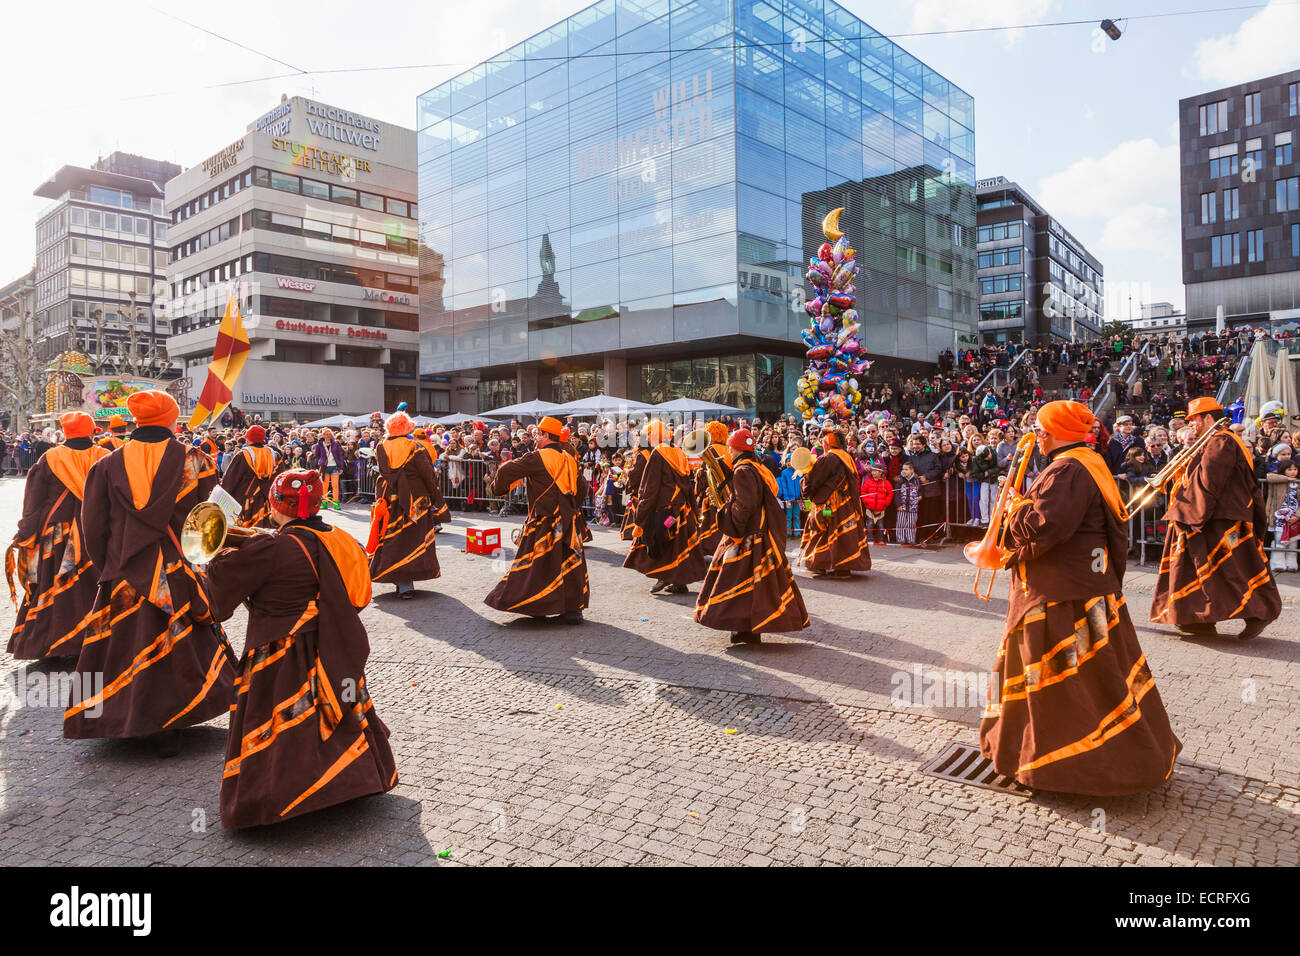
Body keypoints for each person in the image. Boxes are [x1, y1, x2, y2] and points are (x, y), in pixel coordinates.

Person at [980, 400, 1182, 794]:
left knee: (1062, 682)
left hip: (1062, 597)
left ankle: (1060, 767)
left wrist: (1013, 508)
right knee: (1099, 678)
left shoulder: (1069, 468)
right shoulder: (1086, 462)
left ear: (1055, 432)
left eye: (1040, 429)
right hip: (1081, 589)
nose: (1036, 436)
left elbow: (1045, 526)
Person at [205, 469, 397, 828]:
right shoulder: (342, 539)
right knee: (333, 709)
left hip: (280, 653)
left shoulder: (271, 547)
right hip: (332, 645)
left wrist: (217, 558)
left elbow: (217, 597)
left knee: (282, 723)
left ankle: (286, 796)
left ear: (279, 504)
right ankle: (349, 781)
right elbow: (356, 596)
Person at [64, 390, 236, 757]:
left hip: (124, 572)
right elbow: (212, 517)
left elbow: (92, 528)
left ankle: (108, 715)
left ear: (137, 420)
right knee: (179, 643)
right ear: (172, 418)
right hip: (176, 568)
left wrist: (109, 564)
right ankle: (173, 718)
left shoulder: (106, 465)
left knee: (117, 646)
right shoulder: (197, 461)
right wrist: (202, 558)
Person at [1150, 397, 1283, 640]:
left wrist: (1189, 512)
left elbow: (1209, 481)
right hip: (1210, 517)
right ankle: (1198, 619)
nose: (1192, 426)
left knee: (1236, 567)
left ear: (1209, 418)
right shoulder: (1210, 441)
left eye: (1195, 420)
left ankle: (1260, 611)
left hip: (1221, 519)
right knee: (1199, 569)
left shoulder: (1221, 441)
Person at [5, 412, 111, 660]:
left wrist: (25, 533)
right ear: (91, 430)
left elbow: (33, 501)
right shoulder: (105, 457)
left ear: (64, 431)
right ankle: (97, 641)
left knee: (53, 588)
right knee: (93, 587)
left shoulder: (50, 458)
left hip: (58, 536)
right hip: (96, 533)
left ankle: (53, 644)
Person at [693, 429, 809, 644]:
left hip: (748, 534)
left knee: (735, 579)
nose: (728, 450)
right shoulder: (756, 467)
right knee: (757, 584)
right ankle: (748, 628)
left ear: (735, 448)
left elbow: (745, 504)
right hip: (760, 531)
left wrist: (729, 521)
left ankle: (744, 627)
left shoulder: (743, 470)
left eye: (729, 447)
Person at [484, 416, 588, 624]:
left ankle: (537, 604)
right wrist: (572, 506)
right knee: (569, 564)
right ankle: (573, 609)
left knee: (537, 566)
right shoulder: (569, 457)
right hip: (568, 520)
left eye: (538, 434)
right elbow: (582, 486)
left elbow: (506, 470)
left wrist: (498, 489)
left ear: (547, 435)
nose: (535, 438)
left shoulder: (537, 457)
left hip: (545, 520)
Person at [368, 411, 449, 599]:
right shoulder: (415, 447)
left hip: (389, 498)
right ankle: (406, 581)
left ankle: (400, 579)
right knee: (413, 537)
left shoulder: (381, 446)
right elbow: (428, 474)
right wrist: (436, 497)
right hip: (416, 499)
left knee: (391, 536)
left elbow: (383, 472)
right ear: (407, 428)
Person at [624, 419, 709, 595]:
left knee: (663, 543)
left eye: (647, 434)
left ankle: (664, 577)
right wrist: (693, 508)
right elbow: (687, 482)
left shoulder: (658, 453)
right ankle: (679, 582)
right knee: (679, 544)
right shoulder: (678, 451)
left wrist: (641, 515)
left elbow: (650, 487)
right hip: (681, 507)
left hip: (663, 509)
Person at [797, 423, 871, 577]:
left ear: (827, 443)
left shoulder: (828, 459)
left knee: (822, 532)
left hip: (828, 504)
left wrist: (804, 477)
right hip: (846, 503)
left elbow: (813, 481)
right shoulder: (847, 457)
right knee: (844, 534)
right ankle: (843, 568)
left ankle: (820, 565)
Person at [220, 424, 281, 528]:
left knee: (246, 533)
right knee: (266, 531)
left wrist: (221, 498)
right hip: (268, 502)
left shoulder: (243, 455)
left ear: (248, 439)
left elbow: (230, 480)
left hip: (246, 502)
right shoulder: (274, 455)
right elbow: (280, 477)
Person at [693, 421, 733, 558]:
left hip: (713, 495)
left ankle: (712, 552)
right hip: (728, 492)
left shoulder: (712, 450)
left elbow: (704, 476)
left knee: (710, 525)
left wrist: (698, 474)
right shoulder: (728, 449)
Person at [620, 435, 651, 542]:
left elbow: (636, 473)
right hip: (644, 487)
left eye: (638, 439)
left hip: (640, 488)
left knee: (637, 512)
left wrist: (627, 472)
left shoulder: (642, 455)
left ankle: (636, 534)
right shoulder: (646, 453)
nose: (636, 441)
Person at [312, 427, 345, 511]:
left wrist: (341, 467)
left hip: (334, 466)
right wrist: (320, 462)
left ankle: (336, 503)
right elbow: (317, 455)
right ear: (323, 435)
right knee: (325, 486)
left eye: (329, 434)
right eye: (326, 434)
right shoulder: (319, 444)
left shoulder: (335, 444)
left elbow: (340, 456)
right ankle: (324, 503)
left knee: (335, 485)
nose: (327, 435)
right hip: (324, 467)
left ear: (331, 435)